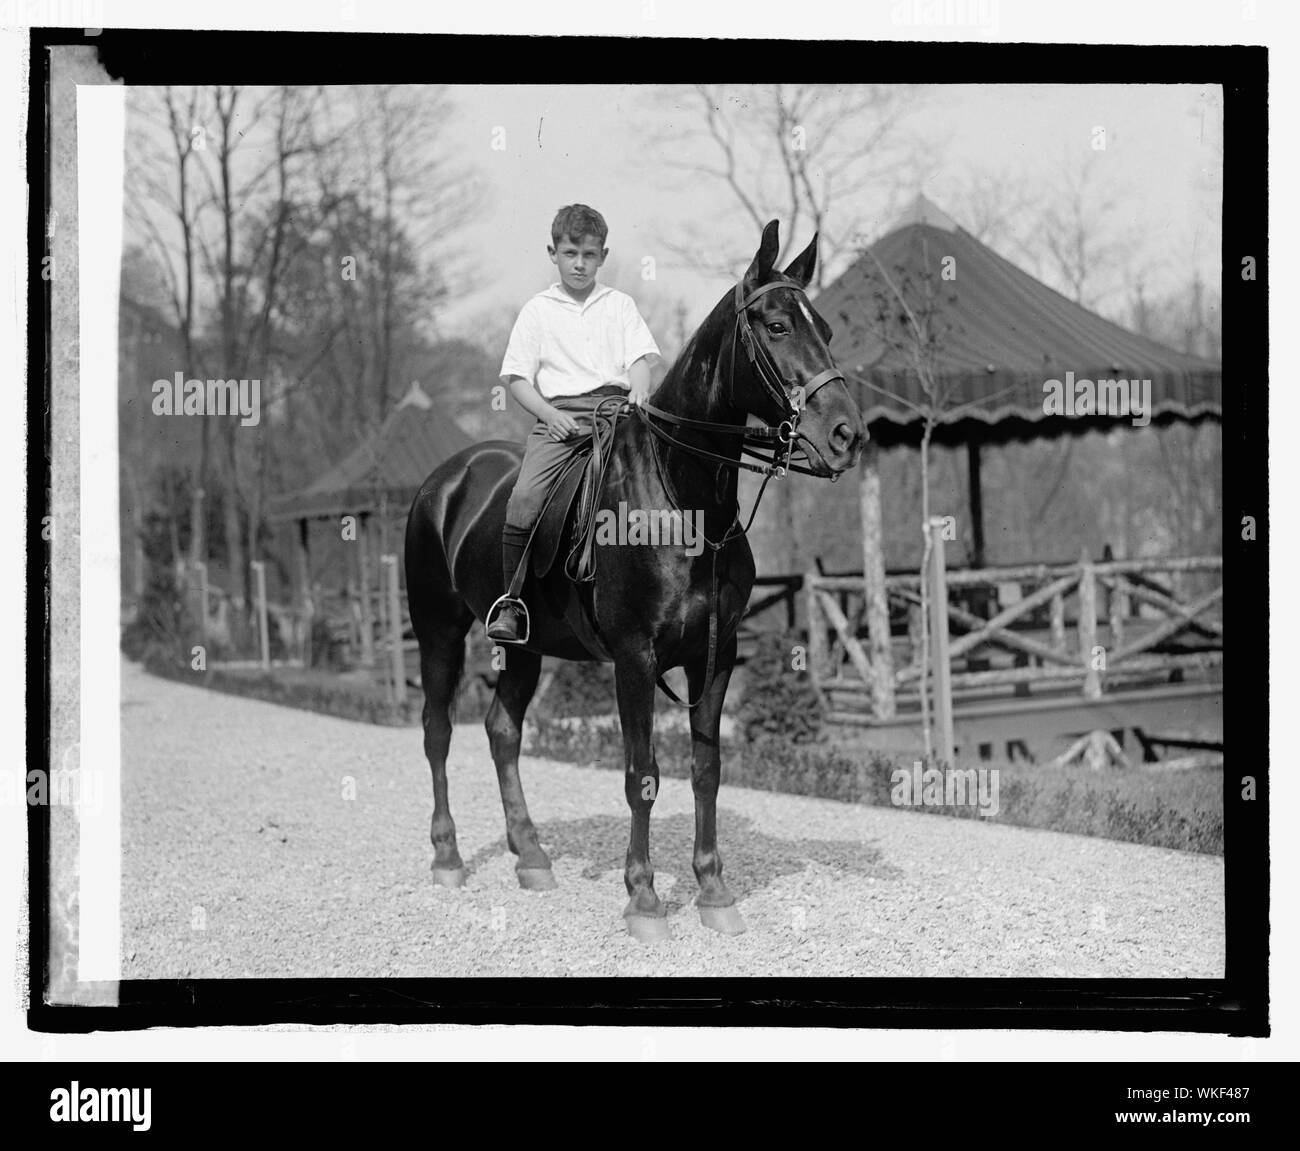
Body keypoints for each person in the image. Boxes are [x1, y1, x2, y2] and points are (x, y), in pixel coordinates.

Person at [486, 204, 662, 643]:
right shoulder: (537, 310)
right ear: (553, 253)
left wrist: (639, 388)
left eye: (588, 254)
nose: (579, 264)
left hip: (618, 414)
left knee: (666, 482)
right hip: (560, 419)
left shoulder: (619, 305)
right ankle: (512, 602)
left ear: (603, 255)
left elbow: (640, 359)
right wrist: (551, 415)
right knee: (525, 496)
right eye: (569, 254)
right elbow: (517, 380)